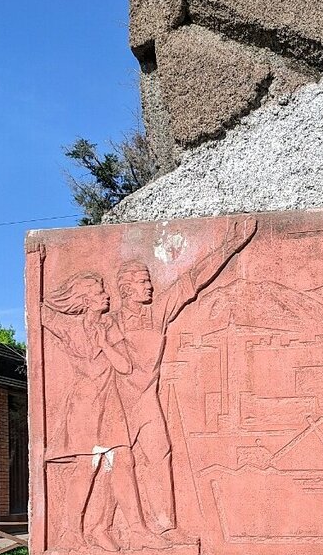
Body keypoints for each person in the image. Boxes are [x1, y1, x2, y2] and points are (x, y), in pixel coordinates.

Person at [107, 217, 257, 535]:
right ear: (125, 289)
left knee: (160, 453)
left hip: (147, 401)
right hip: (117, 404)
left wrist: (230, 245)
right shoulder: (110, 322)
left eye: (149, 280)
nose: (150, 286)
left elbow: (192, 280)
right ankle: (109, 528)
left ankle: (163, 524)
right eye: (143, 281)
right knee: (118, 463)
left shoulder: (157, 312)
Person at [42, 271, 159, 552]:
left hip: (110, 405)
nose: (106, 296)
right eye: (98, 293)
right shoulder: (71, 330)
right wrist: (37, 263)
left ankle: (135, 530)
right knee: (87, 468)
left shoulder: (109, 325)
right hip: (86, 407)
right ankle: (72, 533)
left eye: (104, 292)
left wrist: (105, 344)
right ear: (84, 300)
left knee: (124, 461)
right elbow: (41, 311)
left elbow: (125, 366)